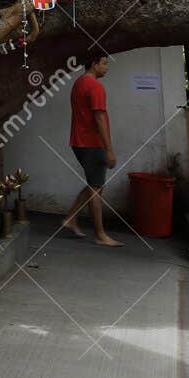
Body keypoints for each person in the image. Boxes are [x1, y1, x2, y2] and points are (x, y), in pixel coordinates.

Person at [65, 47, 121, 247]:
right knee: (96, 187)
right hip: (92, 143)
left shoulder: (79, 83)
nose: (106, 67)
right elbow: (99, 118)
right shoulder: (95, 86)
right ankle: (100, 235)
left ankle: (71, 218)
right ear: (94, 64)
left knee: (93, 185)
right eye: (104, 63)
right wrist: (109, 149)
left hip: (79, 142)